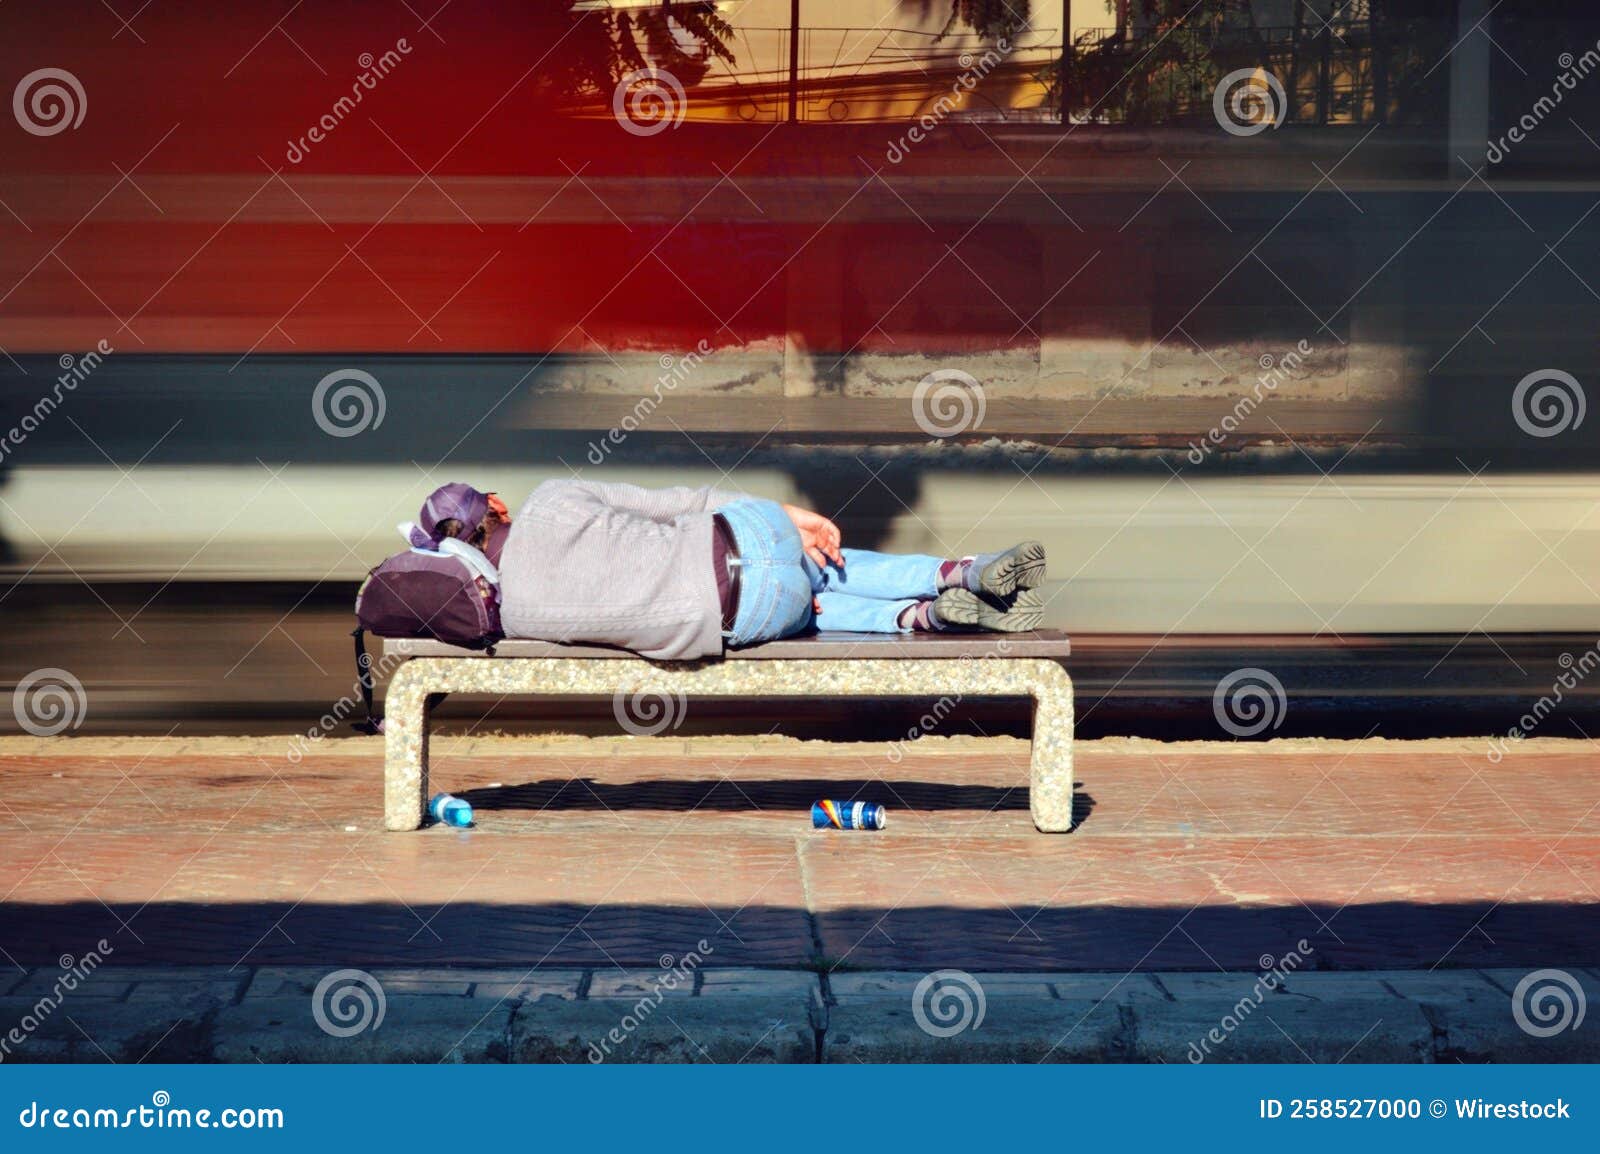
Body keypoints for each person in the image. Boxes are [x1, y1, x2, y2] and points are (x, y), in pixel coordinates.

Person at [415, 480, 1046, 662]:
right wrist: (790, 514)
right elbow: (686, 501)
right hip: (752, 534)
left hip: (753, 613)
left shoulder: (513, 614)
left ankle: (922, 618)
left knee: (798, 599)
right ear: (495, 506)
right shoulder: (553, 497)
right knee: (818, 566)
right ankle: (961, 571)